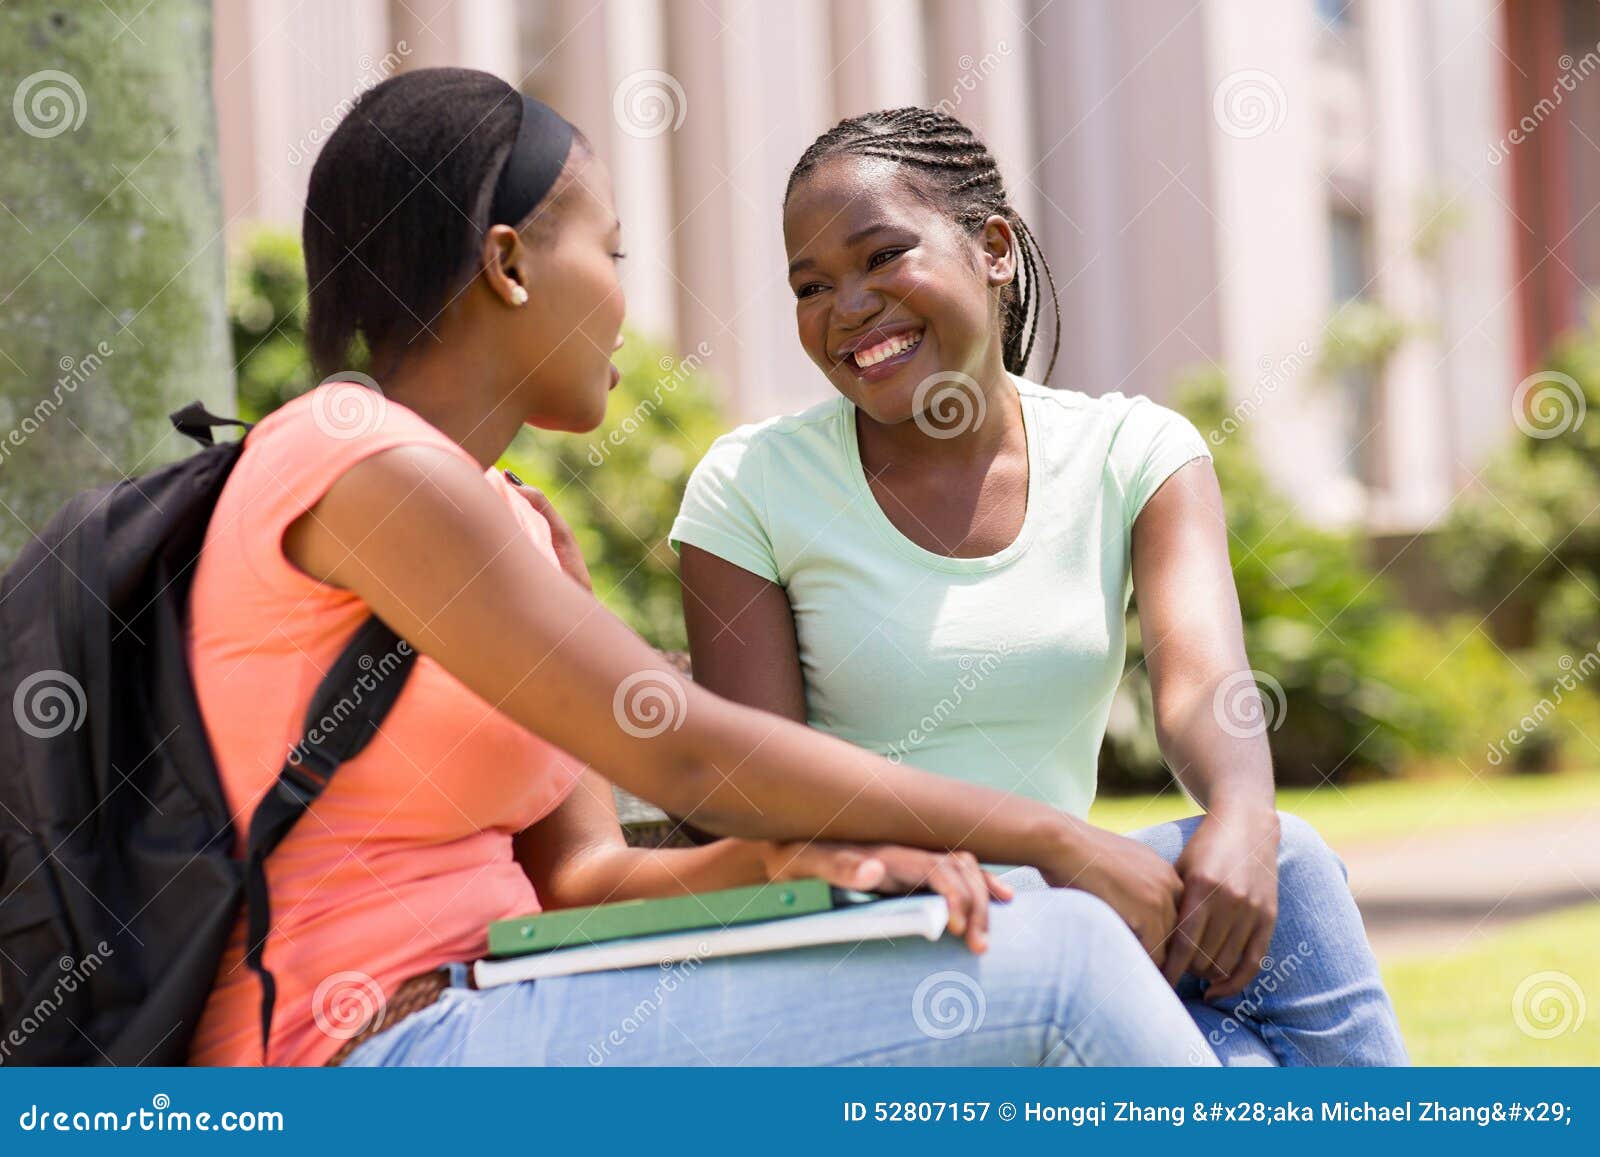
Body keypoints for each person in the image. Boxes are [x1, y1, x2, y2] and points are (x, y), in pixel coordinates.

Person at [185, 69, 1224, 1069]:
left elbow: (585, 876)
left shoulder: (518, 523)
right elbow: (681, 751)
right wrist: (1047, 836)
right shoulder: (353, 456)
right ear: (508, 266)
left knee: (1285, 882)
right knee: (1063, 964)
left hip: (514, 1007)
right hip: (360, 1054)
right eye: (614, 252)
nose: (626, 308)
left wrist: (781, 859)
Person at [671, 108, 1408, 1066]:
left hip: (1077, 907)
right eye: (811, 286)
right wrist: (1053, 843)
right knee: (1241, 1063)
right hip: (886, 925)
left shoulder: (1133, 453)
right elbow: (762, 785)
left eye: (881, 256)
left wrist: (1240, 812)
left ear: (992, 249)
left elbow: (1196, 682)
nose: (846, 306)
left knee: (1291, 867)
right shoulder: (750, 487)